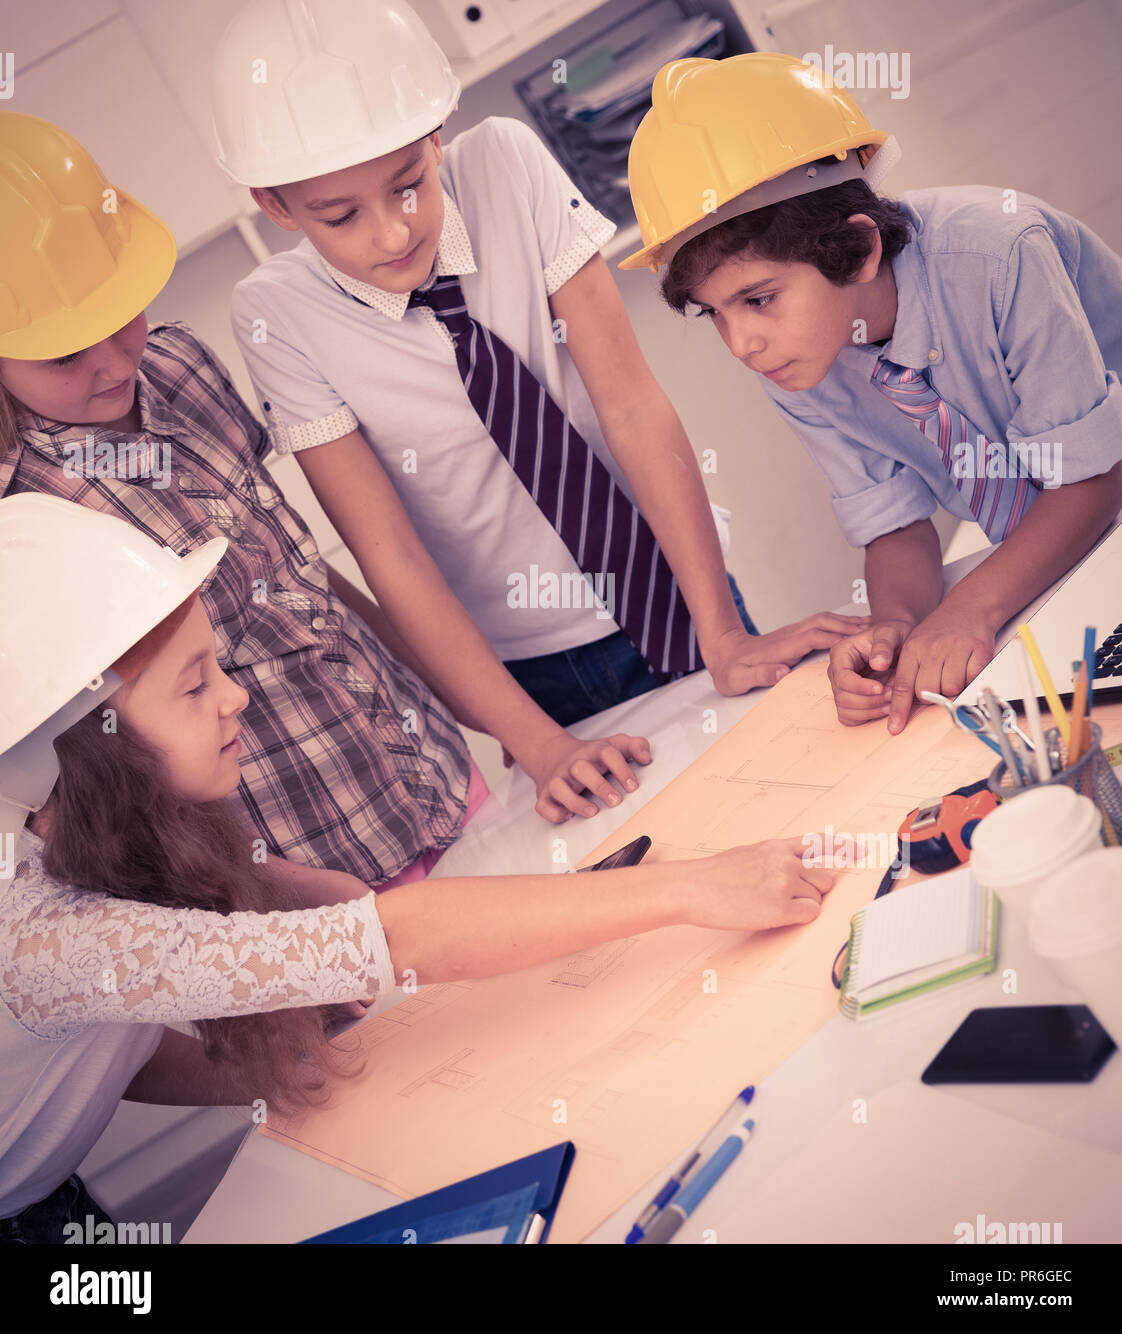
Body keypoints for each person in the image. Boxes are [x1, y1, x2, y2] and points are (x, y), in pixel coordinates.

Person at [0, 493, 837, 1242]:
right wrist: (694, 886)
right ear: (89, 750)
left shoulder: (77, 834)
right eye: (193, 688)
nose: (236, 698)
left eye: (217, 666)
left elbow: (118, 1046)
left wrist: (285, 1063)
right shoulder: (46, 936)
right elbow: (394, 932)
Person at [0, 111, 657, 892]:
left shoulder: (178, 363)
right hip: (302, 864)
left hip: (428, 779)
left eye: (121, 318)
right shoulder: (23, 522)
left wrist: (506, 721)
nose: (113, 364)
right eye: (66, 352)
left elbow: (305, 581)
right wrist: (267, 891)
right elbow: (90, 784)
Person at [215, 0, 865, 731]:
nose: (393, 232)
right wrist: (532, 742)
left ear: (436, 134)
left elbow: (630, 403)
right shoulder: (276, 316)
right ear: (276, 206)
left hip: (680, 589)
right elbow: (387, 551)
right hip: (522, 675)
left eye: (408, 185)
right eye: (339, 216)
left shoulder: (504, 162)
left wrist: (720, 632)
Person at [623, 53, 1122, 732]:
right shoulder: (797, 356)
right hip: (1064, 565)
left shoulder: (1000, 254)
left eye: (759, 299)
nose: (740, 343)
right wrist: (896, 625)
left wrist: (967, 610)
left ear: (857, 250)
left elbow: (1094, 479)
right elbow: (893, 524)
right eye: (715, 313)